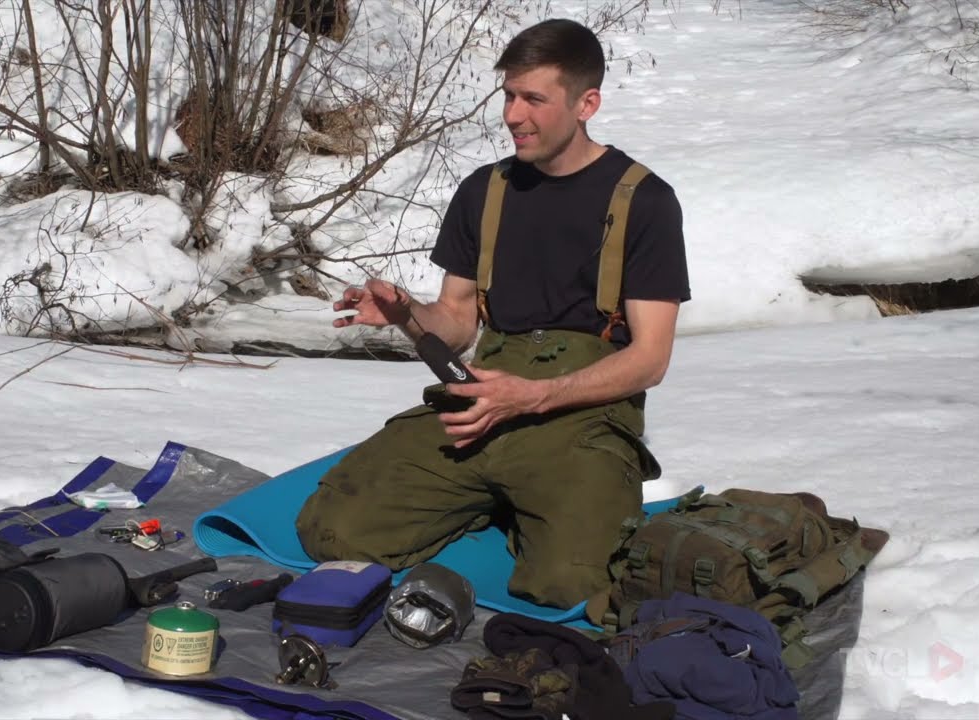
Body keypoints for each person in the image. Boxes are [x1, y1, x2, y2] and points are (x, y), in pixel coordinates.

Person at [295, 18, 691, 609]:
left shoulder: (646, 201)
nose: (512, 115)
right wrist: (406, 314)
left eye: (534, 98)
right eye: (508, 95)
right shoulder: (486, 190)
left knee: (572, 586)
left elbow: (649, 359)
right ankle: (498, 499)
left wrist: (533, 396)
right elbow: (456, 323)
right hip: (480, 405)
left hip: (581, 419)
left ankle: (542, 507)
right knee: (332, 531)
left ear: (587, 103)